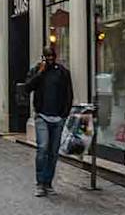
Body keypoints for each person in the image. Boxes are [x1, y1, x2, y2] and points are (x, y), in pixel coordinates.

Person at [25, 47, 74, 197]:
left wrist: (64, 113)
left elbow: (68, 93)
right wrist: (40, 72)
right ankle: (40, 183)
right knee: (43, 148)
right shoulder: (37, 71)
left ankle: (48, 183)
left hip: (58, 117)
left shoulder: (63, 72)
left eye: (52, 56)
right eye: (47, 57)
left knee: (53, 153)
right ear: (43, 57)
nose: (50, 59)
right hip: (42, 116)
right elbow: (28, 87)